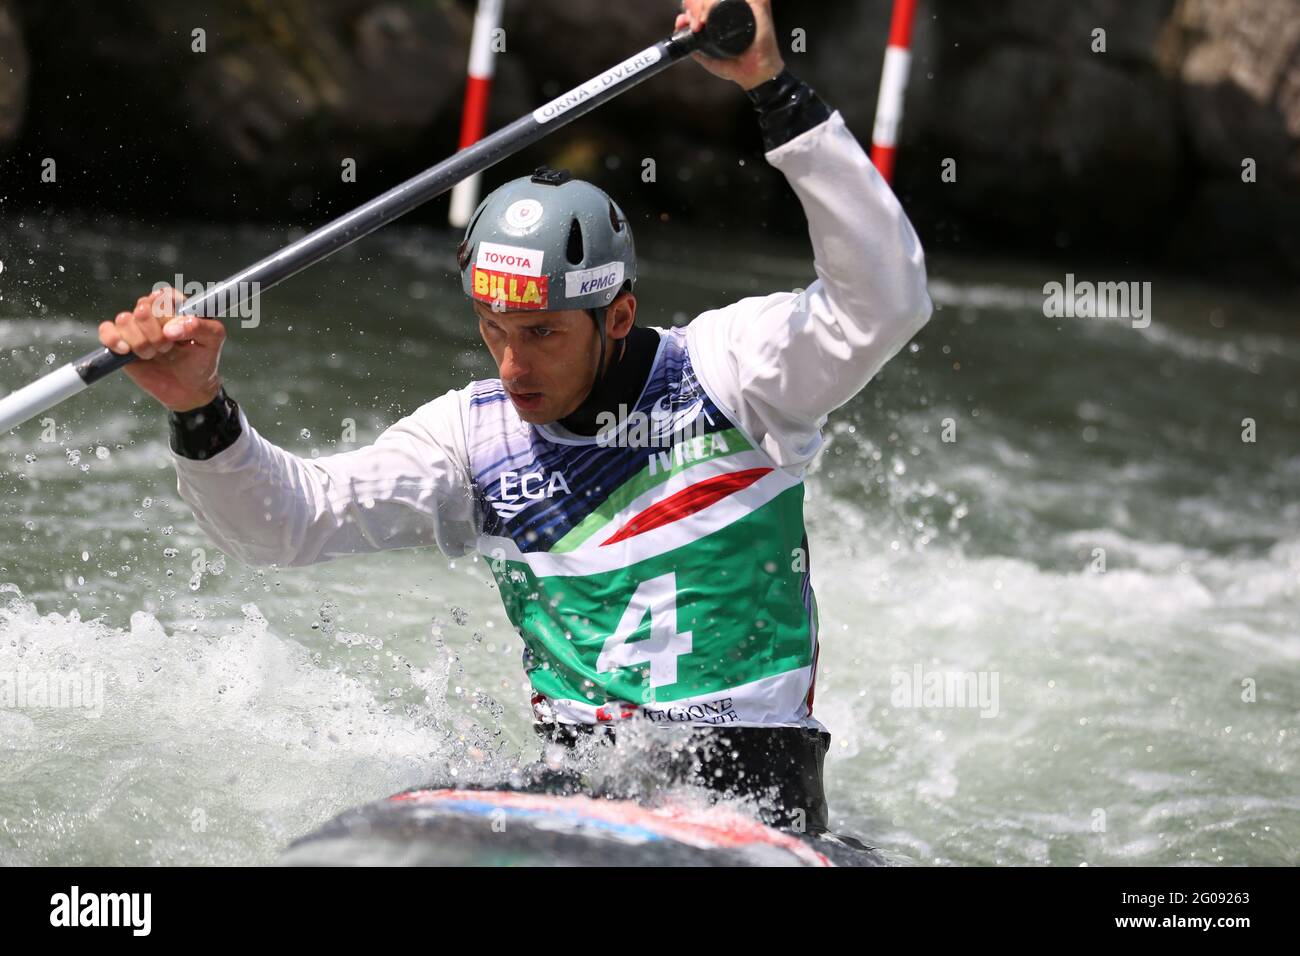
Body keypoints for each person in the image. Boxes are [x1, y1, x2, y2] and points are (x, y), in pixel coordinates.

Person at [98, 0, 932, 841]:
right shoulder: (472, 436)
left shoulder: (735, 375)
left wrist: (770, 87)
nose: (512, 365)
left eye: (540, 334)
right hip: (578, 797)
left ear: (615, 314)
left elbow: (884, 304)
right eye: (493, 330)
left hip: (756, 806)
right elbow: (288, 525)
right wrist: (200, 409)